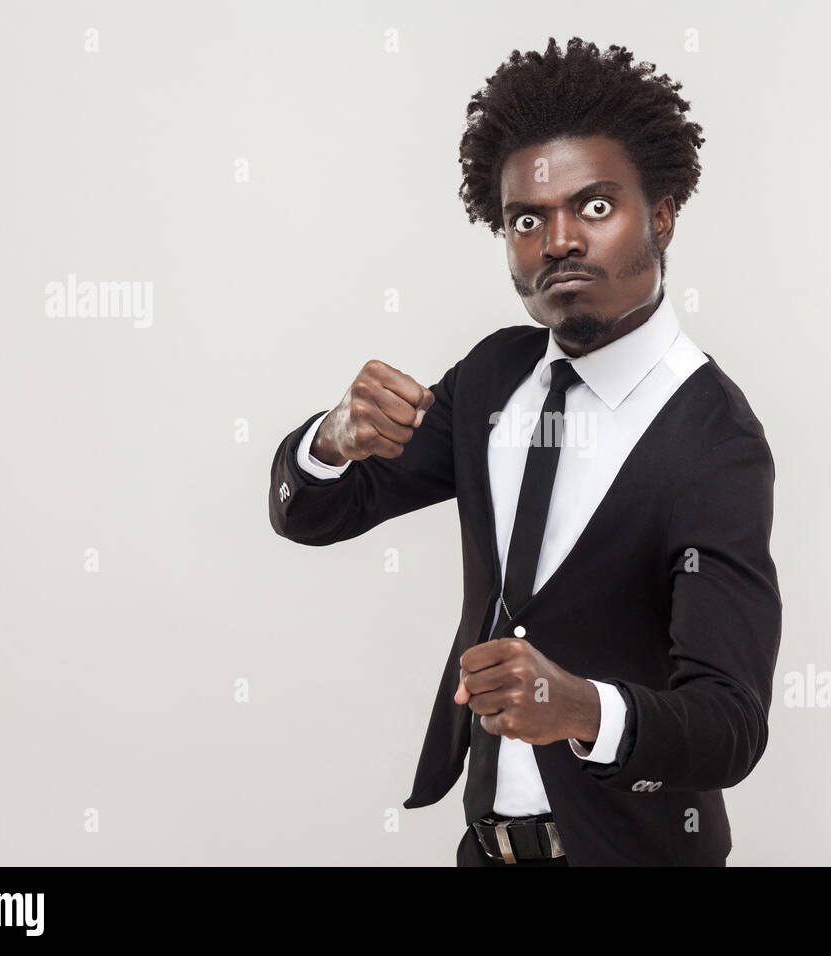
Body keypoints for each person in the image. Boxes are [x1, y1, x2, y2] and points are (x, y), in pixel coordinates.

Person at [269, 36, 781, 866]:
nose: (559, 242)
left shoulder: (715, 441)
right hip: (487, 848)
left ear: (663, 213)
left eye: (597, 207)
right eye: (526, 219)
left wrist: (581, 709)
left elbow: (730, 725)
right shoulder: (495, 375)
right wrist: (331, 440)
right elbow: (320, 515)